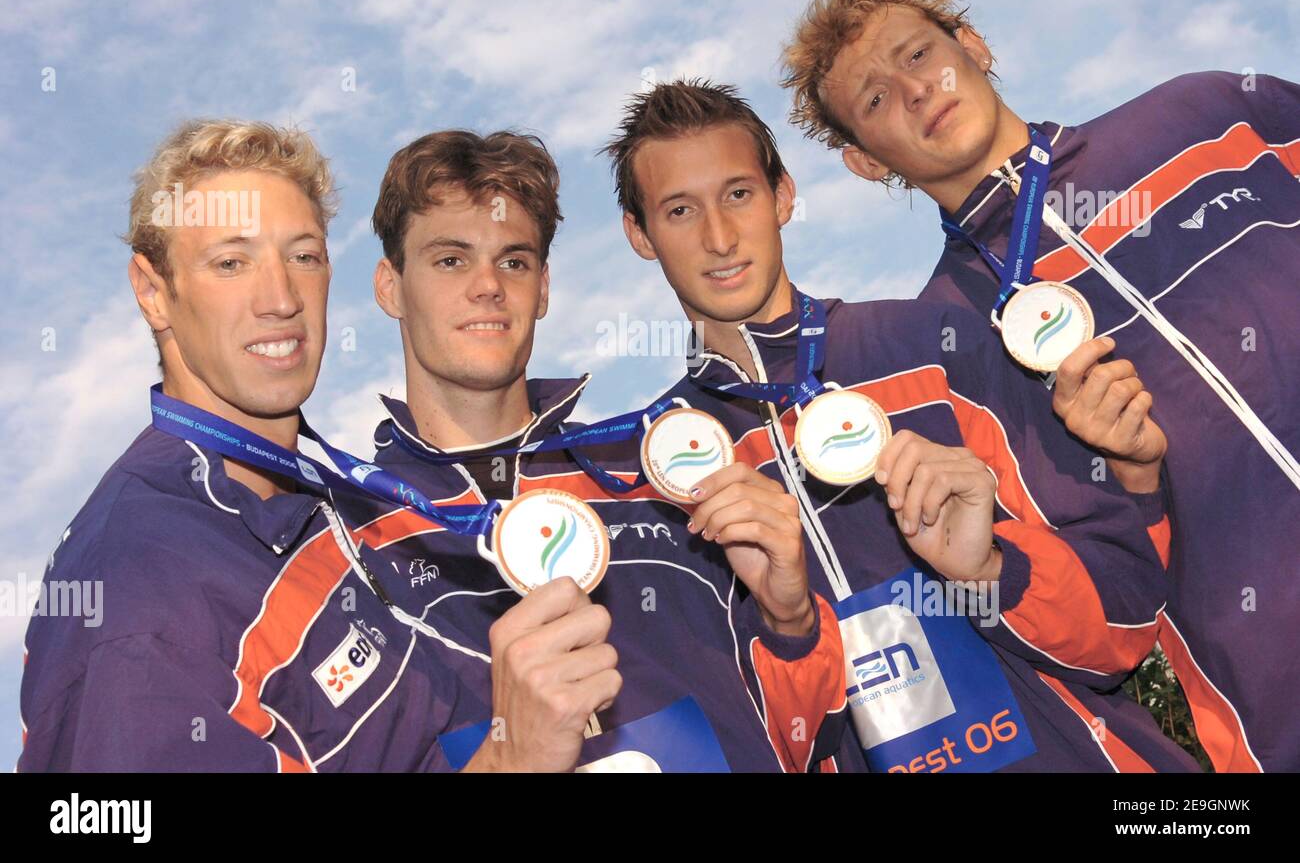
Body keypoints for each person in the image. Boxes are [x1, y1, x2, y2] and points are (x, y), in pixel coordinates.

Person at [781, 0, 1300, 771]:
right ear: (863, 162)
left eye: (920, 54)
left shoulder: (1206, 114)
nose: (916, 92)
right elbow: (1100, 591)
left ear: (974, 47)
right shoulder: (944, 348)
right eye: (877, 100)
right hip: (1271, 710)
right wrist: (1130, 471)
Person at [602, 79, 1201, 771]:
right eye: (680, 210)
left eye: (738, 193)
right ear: (640, 235)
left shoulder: (935, 345)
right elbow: (743, 742)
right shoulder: (658, 478)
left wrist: (992, 571)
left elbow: (1125, 611)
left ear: (784, 196)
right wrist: (789, 629)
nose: (718, 235)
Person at [18, 119, 618, 772]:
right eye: (231, 262)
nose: (281, 298)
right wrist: (511, 761)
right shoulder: (138, 579)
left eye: (303, 255)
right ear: (154, 291)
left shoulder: (305, 490)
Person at [335, 128, 853, 772]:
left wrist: (791, 620)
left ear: (543, 288)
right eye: (451, 259)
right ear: (389, 286)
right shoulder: (349, 548)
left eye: (514, 261)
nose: (488, 286)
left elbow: (808, 741)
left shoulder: (658, 482)